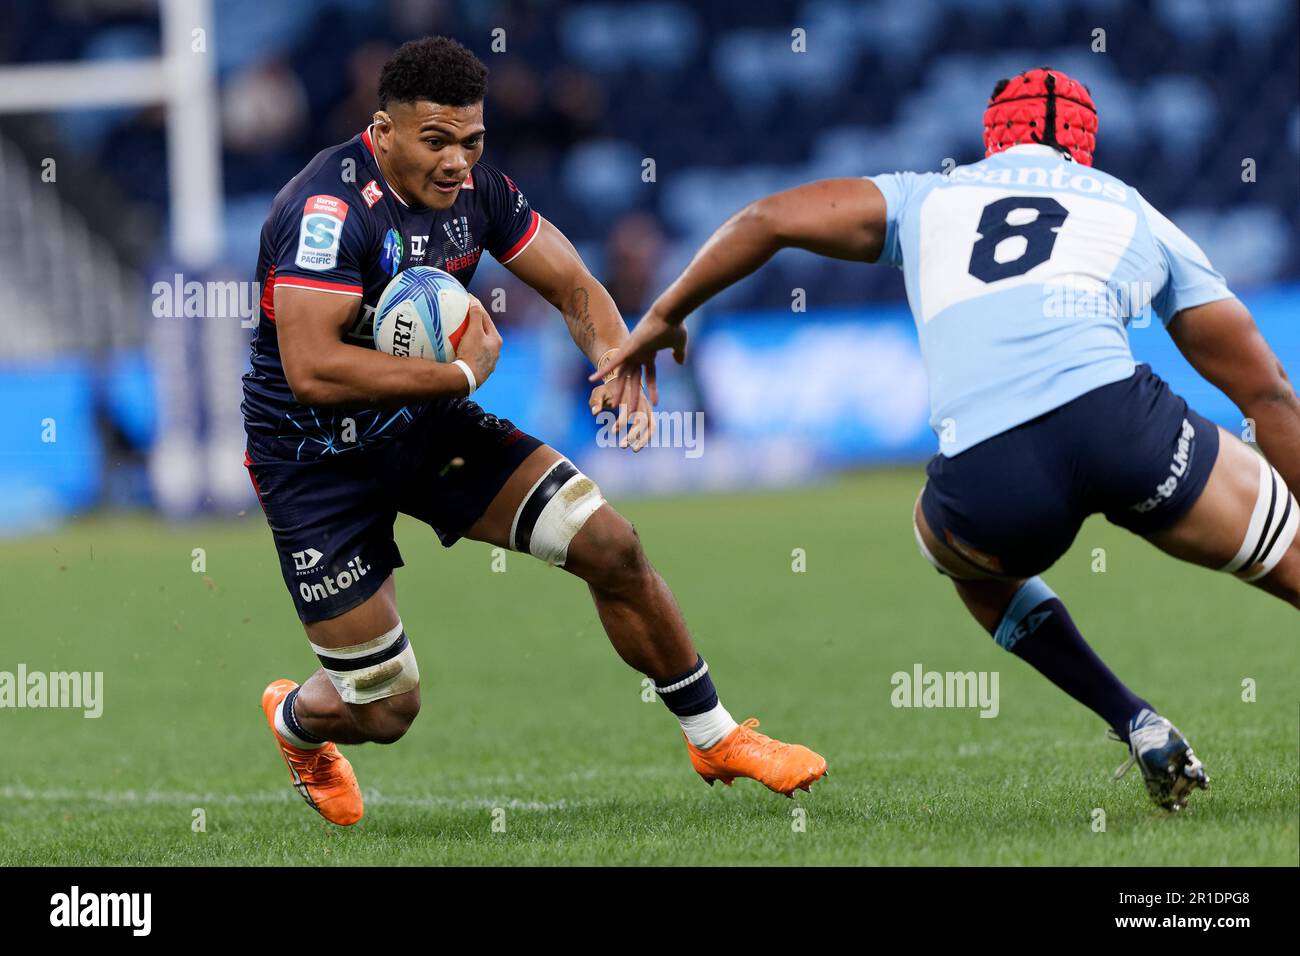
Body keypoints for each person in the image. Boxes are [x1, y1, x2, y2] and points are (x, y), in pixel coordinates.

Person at [598, 67, 1300, 812]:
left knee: (950, 547)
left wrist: (668, 311)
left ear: (991, 137)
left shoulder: (928, 195)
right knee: (1287, 558)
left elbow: (769, 219)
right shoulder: (1134, 210)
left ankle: (1133, 717)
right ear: (1085, 149)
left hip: (993, 477)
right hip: (1125, 428)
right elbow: (1265, 391)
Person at [243, 37, 826, 825]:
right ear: (382, 133)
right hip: (314, 461)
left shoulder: (481, 193)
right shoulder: (329, 211)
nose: (457, 162)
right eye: (436, 141)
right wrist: (455, 376)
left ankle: (714, 735)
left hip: (423, 427)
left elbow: (575, 283)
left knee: (610, 543)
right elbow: (311, 366)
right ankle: (296, 723)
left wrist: (617, 355)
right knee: (387, 711)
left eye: (472, 141)